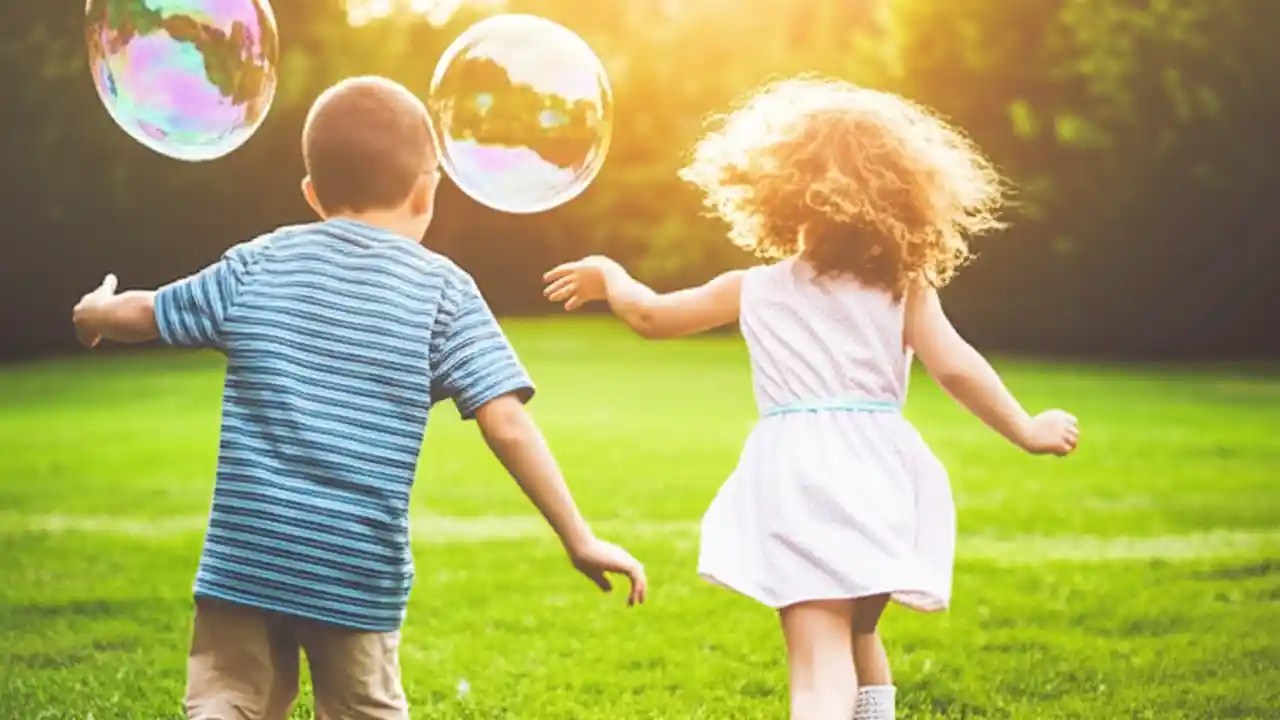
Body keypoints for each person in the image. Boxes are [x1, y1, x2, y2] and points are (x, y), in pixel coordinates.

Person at [71, 76, 646, 720]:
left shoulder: (259, 263)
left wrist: (95, 314)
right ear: (427, 190)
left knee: (227, 698)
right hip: (353, 567)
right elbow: (506, 423)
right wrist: (578, 537)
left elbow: (148, 311)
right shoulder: (443, 292)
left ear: (312, 195)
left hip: (247, 555)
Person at [542, 78, 1079, 720]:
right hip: (883, 471)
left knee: (820, 663)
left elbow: (653, 317)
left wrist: (612, 276)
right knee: (859, 631)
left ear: (779, 192)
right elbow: (956, 368)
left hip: (801, 476)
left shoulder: (756, 286)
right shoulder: (904, 288)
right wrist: (1025, 427)